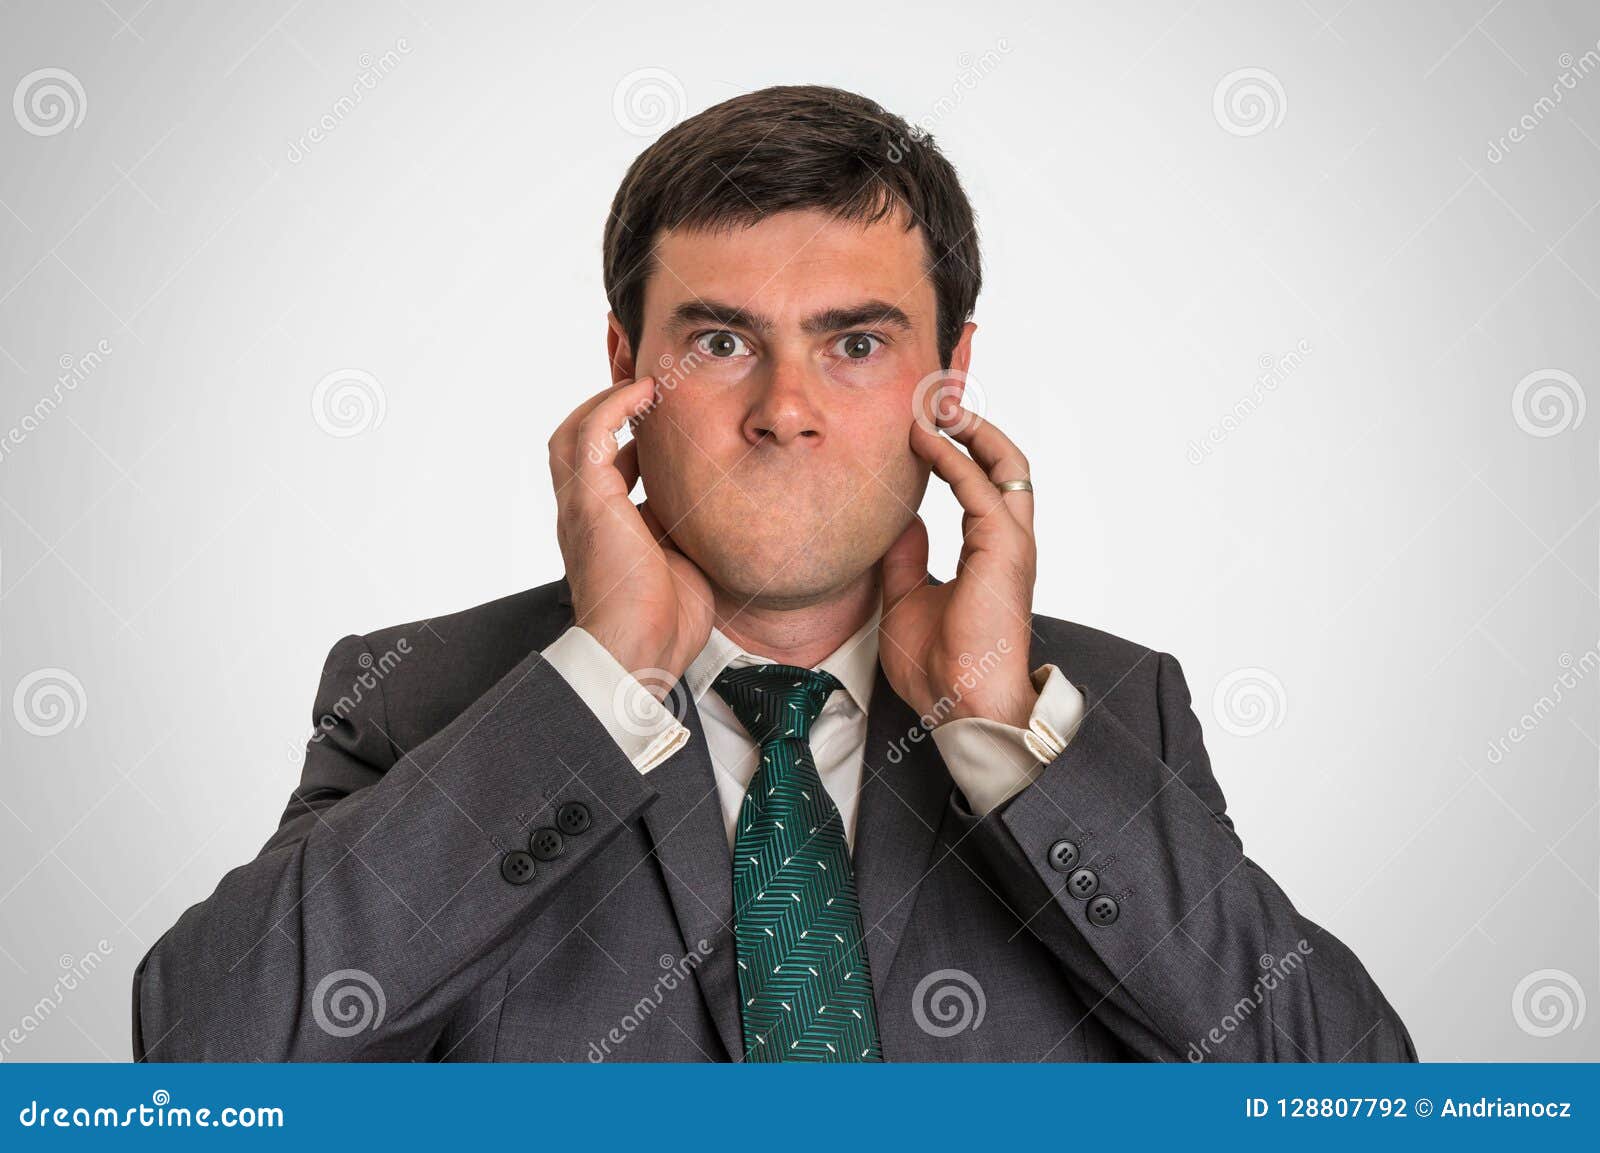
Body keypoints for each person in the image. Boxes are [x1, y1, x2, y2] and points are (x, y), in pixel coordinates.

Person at [133, 85, 1415, 1063]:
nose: (784, 408)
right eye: (720, 340)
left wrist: (995, 726)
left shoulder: (1104, 710)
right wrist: (598, 684)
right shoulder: (429, 697)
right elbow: (197, 1059)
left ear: (949, 376)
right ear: (626, 364)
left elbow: (1358, 1096)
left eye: (854, 341)